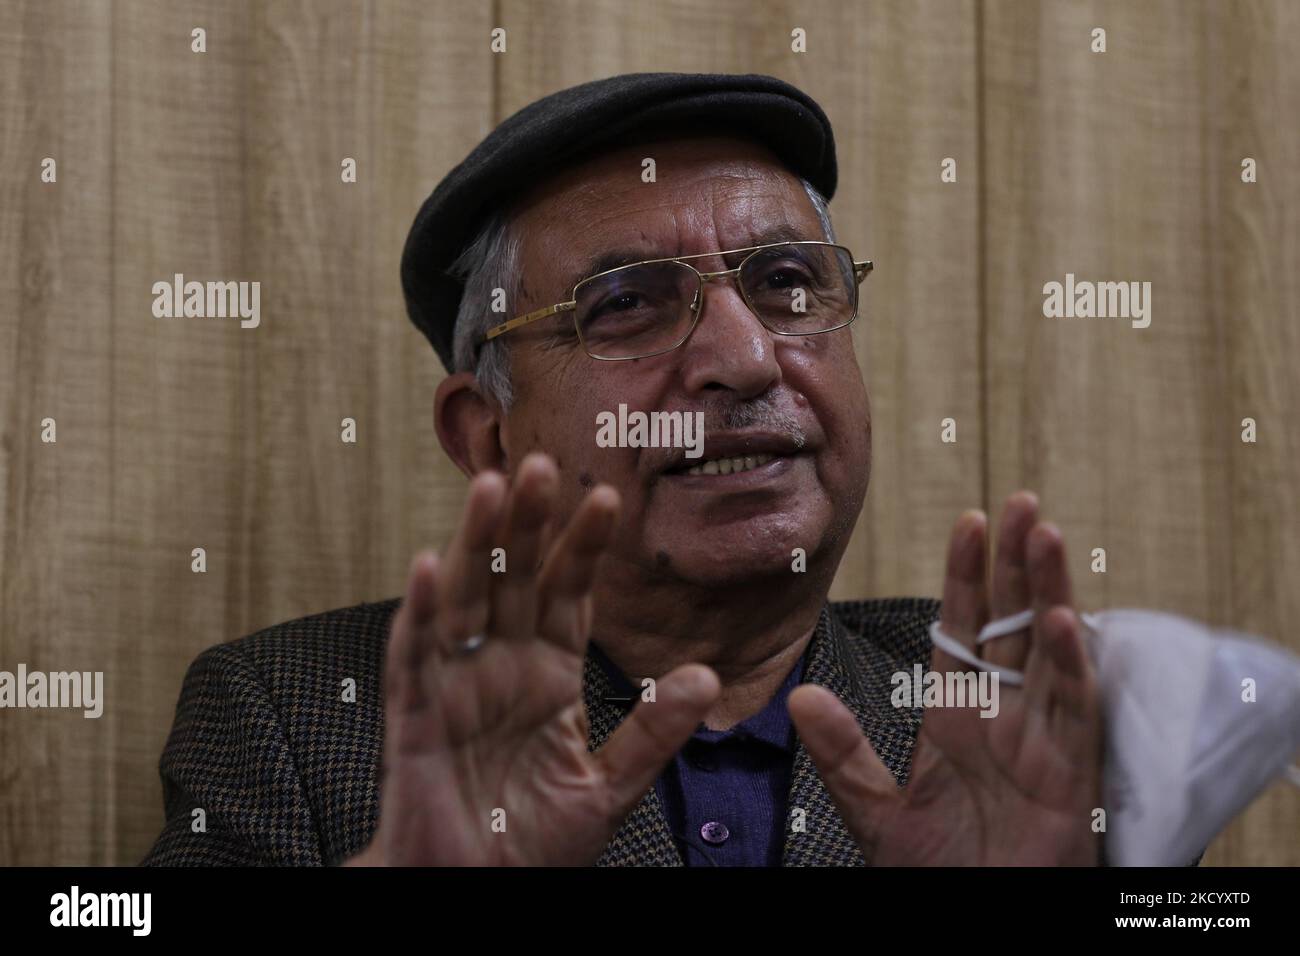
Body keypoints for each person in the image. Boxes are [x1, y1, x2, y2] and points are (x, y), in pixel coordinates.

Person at [144, 73, 1101, 867]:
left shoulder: (1018, 699)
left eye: (786, 284)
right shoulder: (294, 716)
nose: (748, 358)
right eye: (628, 305)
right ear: (487, 436)